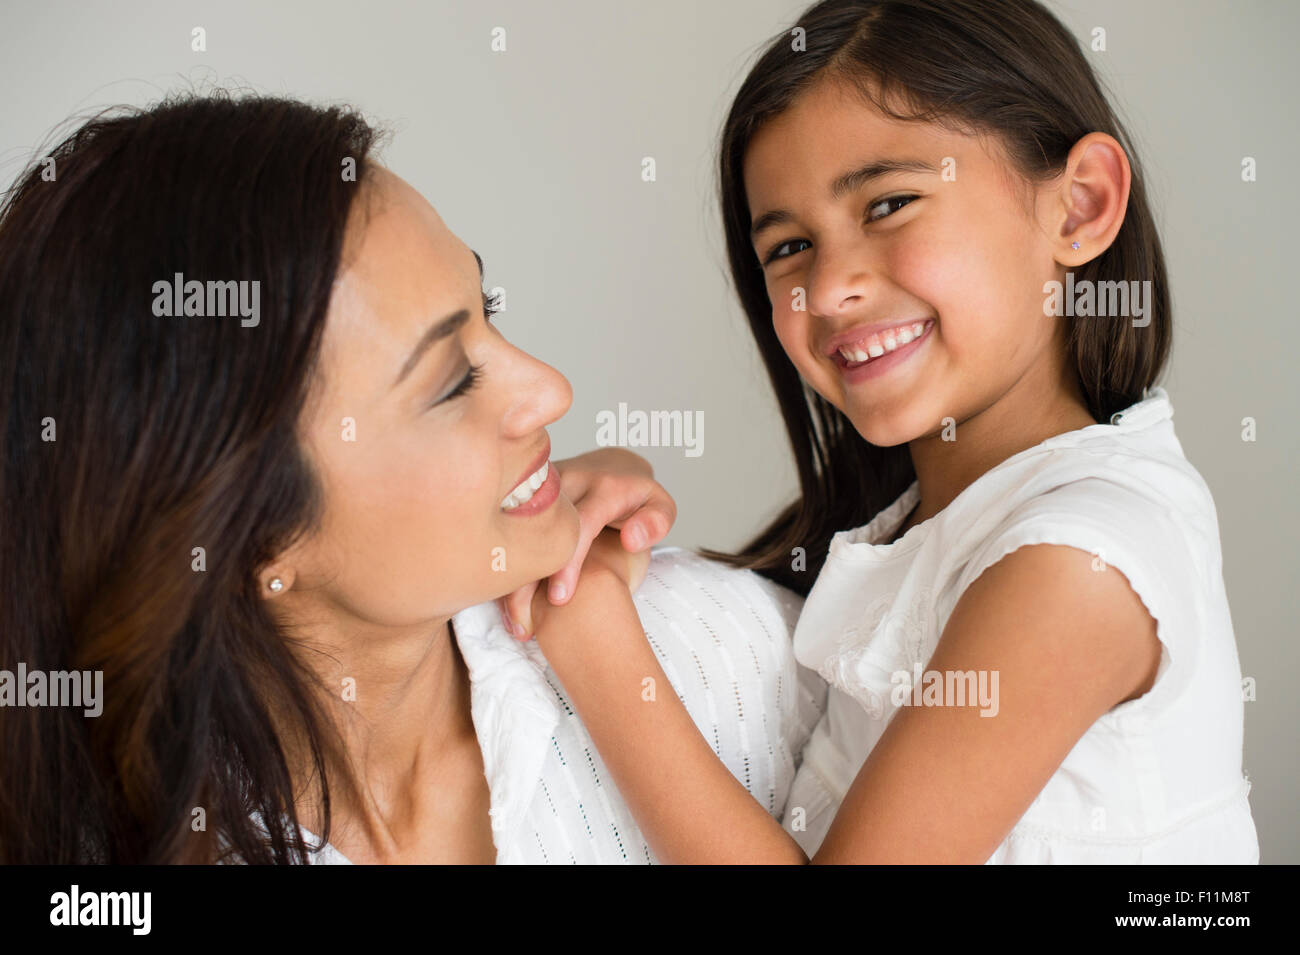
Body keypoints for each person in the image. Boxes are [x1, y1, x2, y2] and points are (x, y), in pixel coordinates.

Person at [514, 0, 1259, 864]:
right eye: (788, 248)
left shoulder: (1079, 561)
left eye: (889, 204)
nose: (829, 290)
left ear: (1081, 206)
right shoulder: (914, 529)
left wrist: (594, 631)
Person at [0, 94, 823, 864]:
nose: (551, 389)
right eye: (452, 383)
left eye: (487, 310)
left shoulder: (718, 656)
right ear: (254, 535)